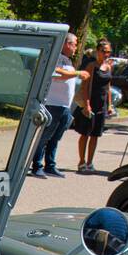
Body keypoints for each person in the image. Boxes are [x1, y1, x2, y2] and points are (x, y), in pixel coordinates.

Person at [30, 32, 87, 178]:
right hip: (52, 105)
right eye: (74, 44)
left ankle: (50, 165)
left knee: (56, 138)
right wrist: (78, 73)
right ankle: (37, 166)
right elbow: (60, 75)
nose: (76, 47)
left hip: (65, 106)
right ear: (67, 44)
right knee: (45, 137)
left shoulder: (68, 61)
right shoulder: (55, 59)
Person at [72, 37, 114, 173]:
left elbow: (108, 86)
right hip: (90, 103)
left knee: (95, 135)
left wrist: (109, 105)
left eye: (108, 52)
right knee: (85, 134)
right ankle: (81, 161)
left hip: (101, 105)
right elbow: (85, 87)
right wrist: (87, 104)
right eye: (104, 51)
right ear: (98, 51)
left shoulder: (109, 67)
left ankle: (90, 162)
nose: (106, 54)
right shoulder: (91, 66)